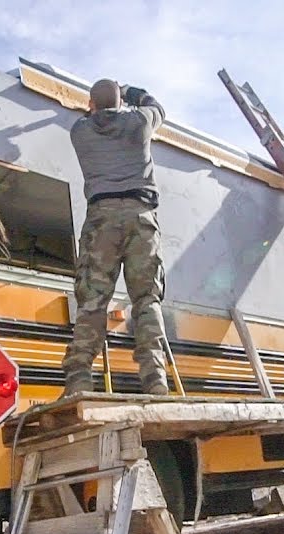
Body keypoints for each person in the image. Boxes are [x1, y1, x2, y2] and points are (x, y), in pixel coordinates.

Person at [61, 78, 168, 397]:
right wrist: (133, 92)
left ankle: (79, 377)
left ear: (92, 104)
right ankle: (155, 378)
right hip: (141, 217)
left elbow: (91, 114)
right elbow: (157, 107)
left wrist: (102, 104)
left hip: (101, 218)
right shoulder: (139, 122)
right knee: (146, 298)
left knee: (92, 299)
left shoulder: (79, 131)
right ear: (121, 102)